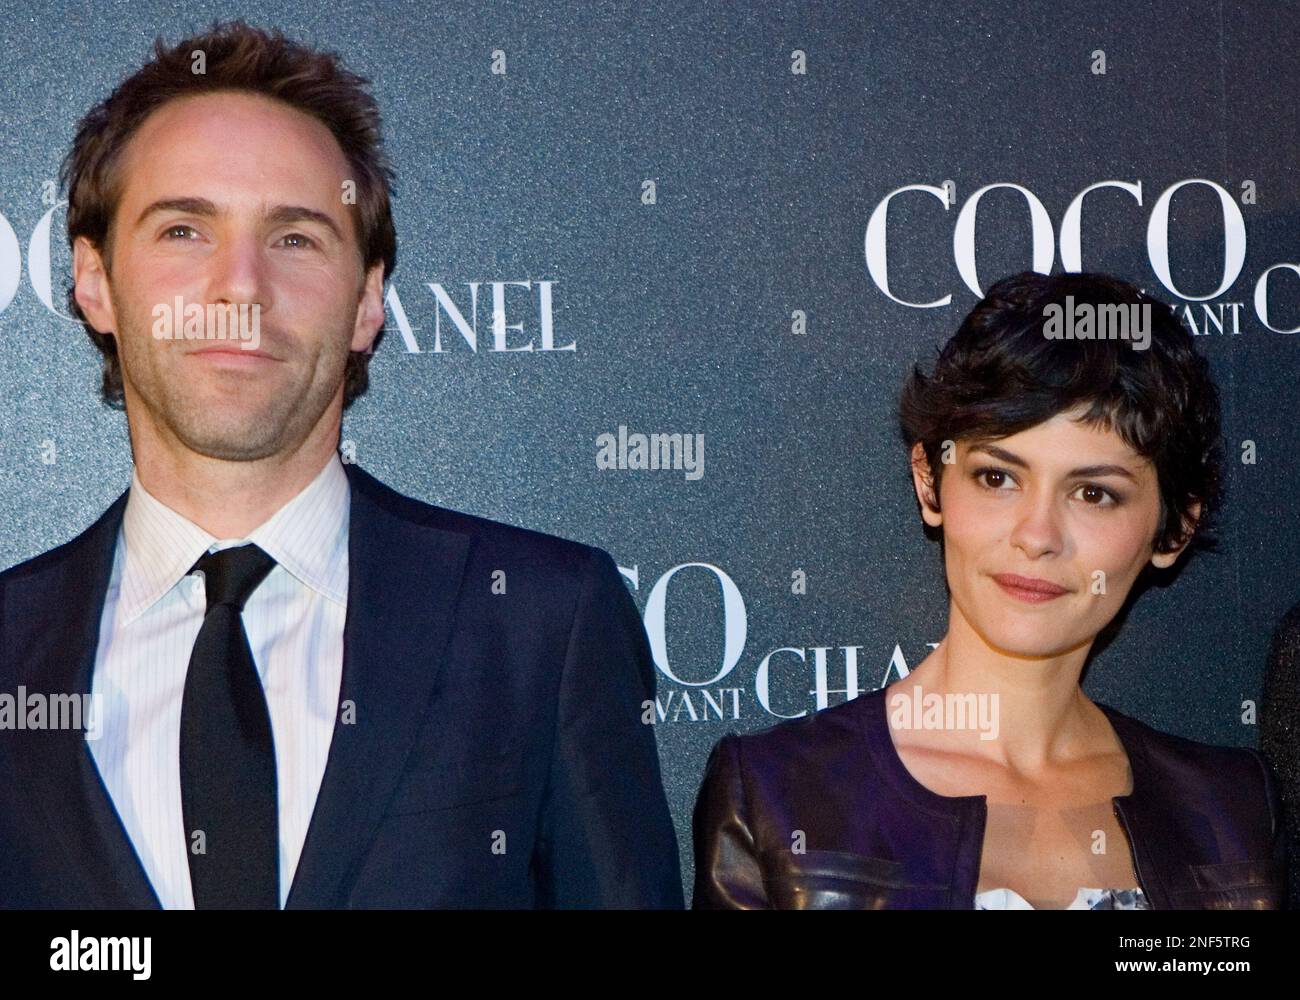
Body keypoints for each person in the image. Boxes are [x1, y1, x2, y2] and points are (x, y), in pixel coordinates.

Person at [0, 19, 682, 909]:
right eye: (182, 231)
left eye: (295, 238)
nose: (240, 286)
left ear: (367, 301)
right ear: (94, 281)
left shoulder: (541, 625)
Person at [692, 271, 1285, 910]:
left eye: (1093, 493)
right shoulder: (777, 797)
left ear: (1174, 530)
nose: (1037, 535)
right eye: (998, 477)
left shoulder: (1232, 818)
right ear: (930, 483)